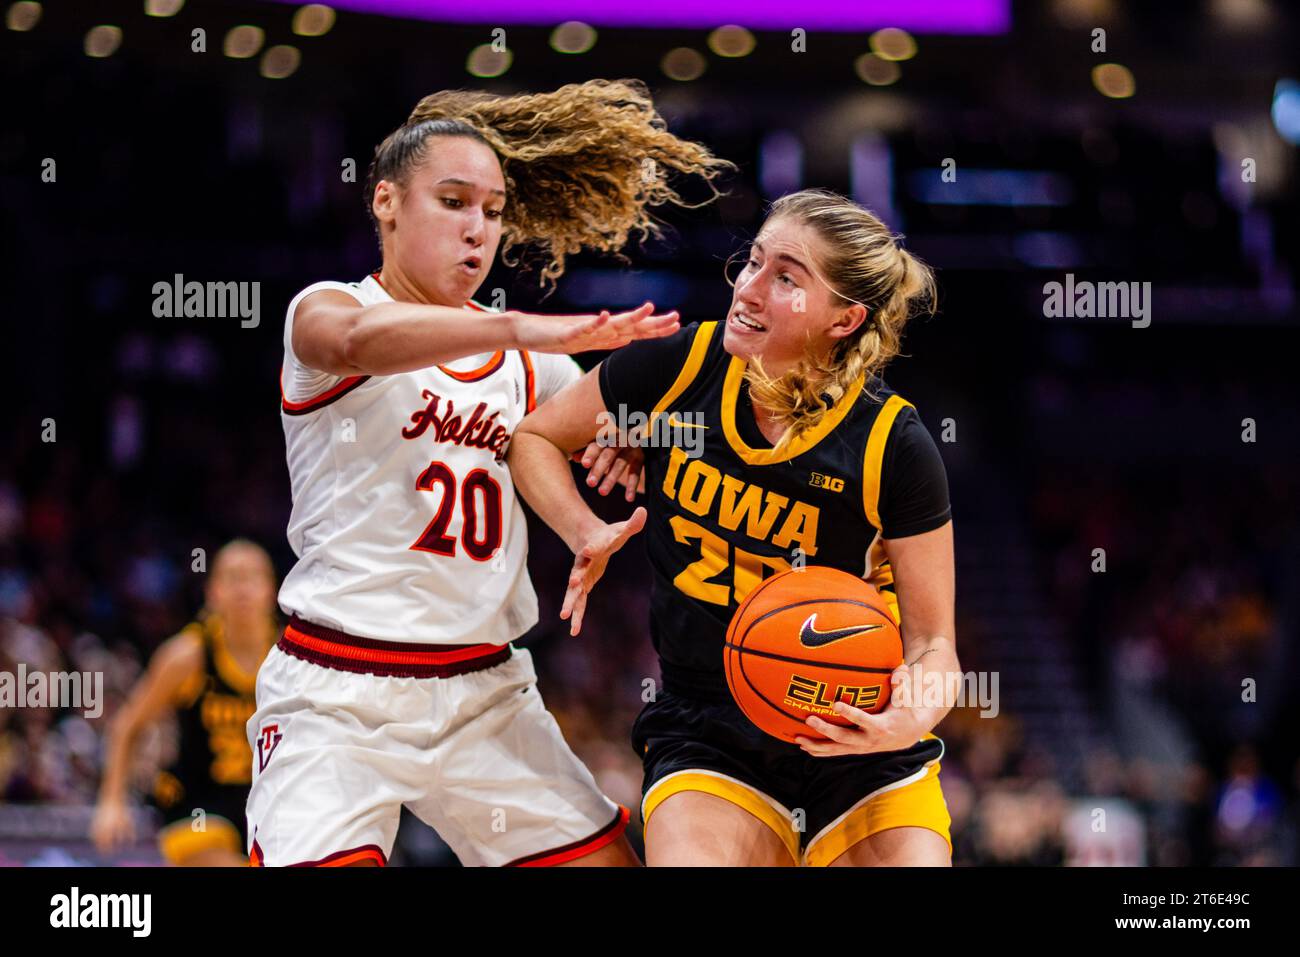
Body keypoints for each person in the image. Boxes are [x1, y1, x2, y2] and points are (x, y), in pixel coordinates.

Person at [245, 79, 733, 867]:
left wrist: (602, 494)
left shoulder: (528, 357)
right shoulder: (326, 308)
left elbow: (559, 438)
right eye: (453, 201)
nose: (478, 230)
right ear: (386, 203)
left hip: (484, 691)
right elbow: (362, 342)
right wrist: (512, 322)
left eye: (494, 211)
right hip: (336, 692)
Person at [509, 188, 958, 866]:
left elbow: (934, 646)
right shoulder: (678, 367)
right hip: (709, 728)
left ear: (844, 318)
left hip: (853, 733)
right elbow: (535, 437)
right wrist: (582, 528)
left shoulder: (892, 443)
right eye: (752, 261)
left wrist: (903, 719)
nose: (748, 287)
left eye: (786, 277)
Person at [91, 539, 278, 866]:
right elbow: (127, 726)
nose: (243, 588)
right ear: (213, 592)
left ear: (272, 591)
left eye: (253, 577)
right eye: (232, 578)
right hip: (198, 803)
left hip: (269, 799)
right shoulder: (187, 655)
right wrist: (111, 801)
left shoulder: (290, 654)